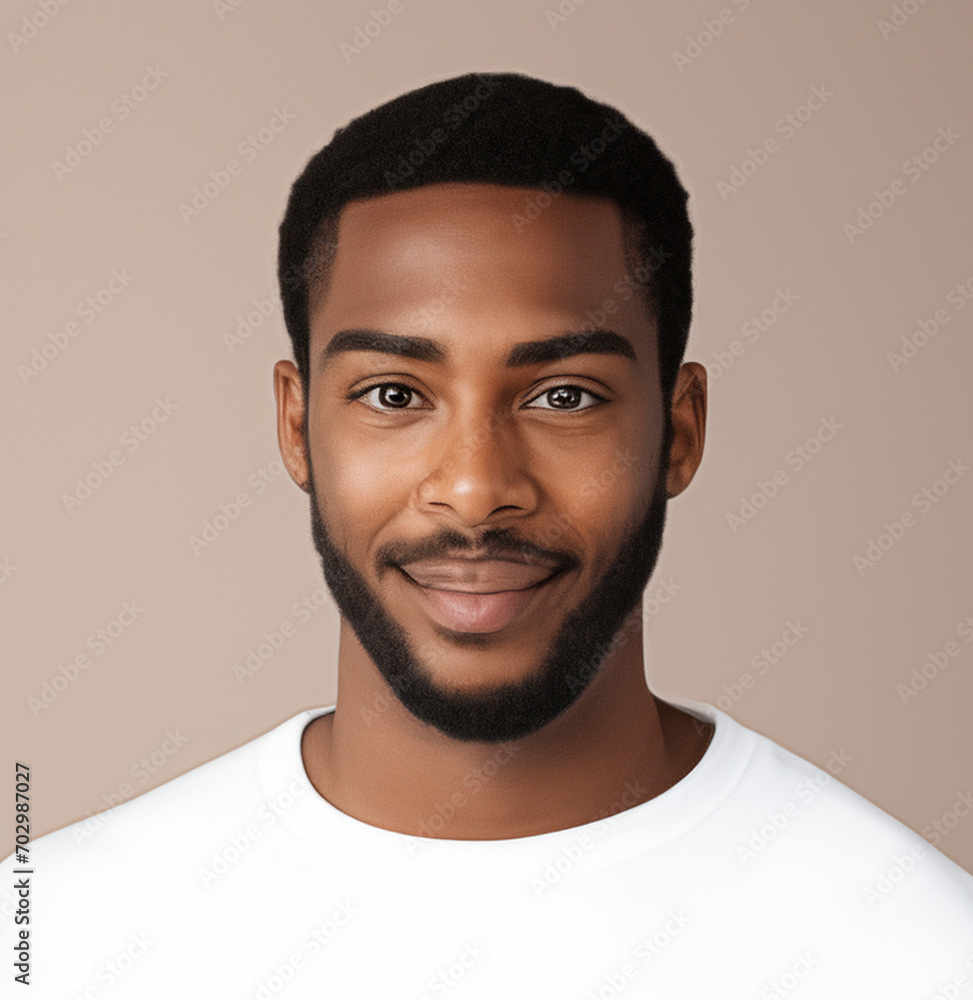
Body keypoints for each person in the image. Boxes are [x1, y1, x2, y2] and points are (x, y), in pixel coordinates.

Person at [4, 71, 972, 998]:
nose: (473, 493)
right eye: (393, 394)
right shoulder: (53, 940)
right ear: (297, 427)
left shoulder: (916, 951)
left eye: (564, 396)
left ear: (677, 432)